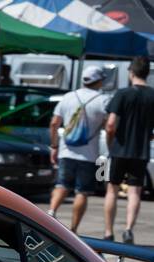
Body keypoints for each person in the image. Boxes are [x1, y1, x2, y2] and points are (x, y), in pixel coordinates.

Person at [49, 65, 110, 233]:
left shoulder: (68, 96)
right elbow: (109, 126)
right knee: (82, 192)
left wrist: (54, 146)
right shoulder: (103, 100)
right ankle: (73, 230)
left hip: (65, 151)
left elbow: (54, 123)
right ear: (99, 81)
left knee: (61, 186)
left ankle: (51, 212)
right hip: (89, 155)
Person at [103, 55, 154, 243]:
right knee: (135, 192)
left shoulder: (122, 94)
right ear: (147, 74)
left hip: (118, 150)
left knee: (112, 190)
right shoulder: (152, 96)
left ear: (131, 72)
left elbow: (110, 124)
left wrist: (110, 142)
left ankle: (108, 232)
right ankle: (128, 229)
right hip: (141, 152)